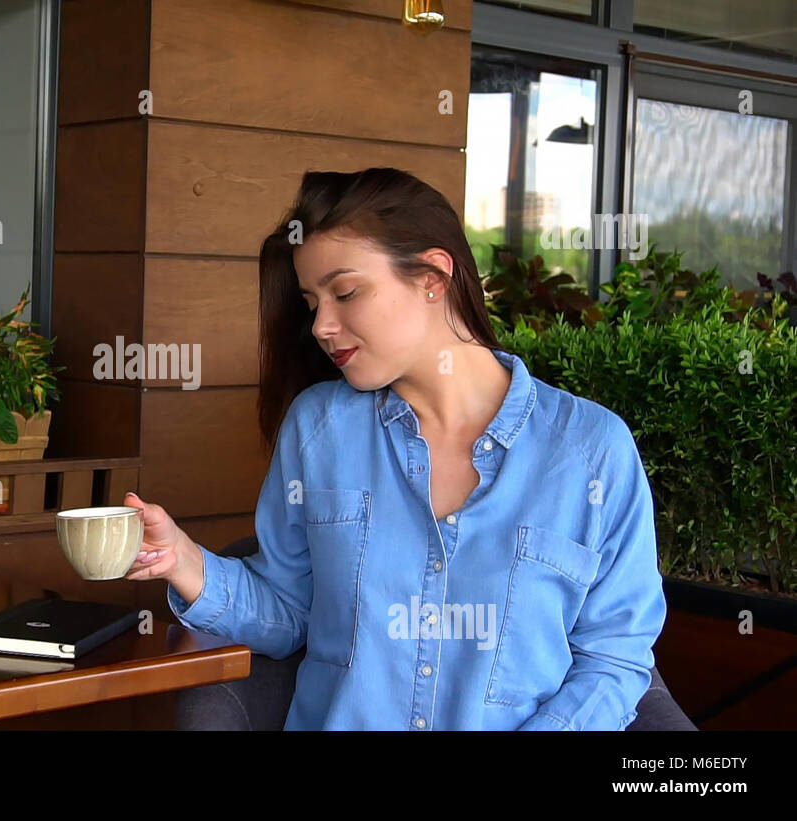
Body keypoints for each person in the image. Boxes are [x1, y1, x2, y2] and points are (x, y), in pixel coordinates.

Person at [121, 168, 667, 731]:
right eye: (312, 302)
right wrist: (182, 559)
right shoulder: (319, 430)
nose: (321, 326)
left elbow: (613, 658)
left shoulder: (592, 451)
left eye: (346, 292)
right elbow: (289, 612)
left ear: (433, 276)